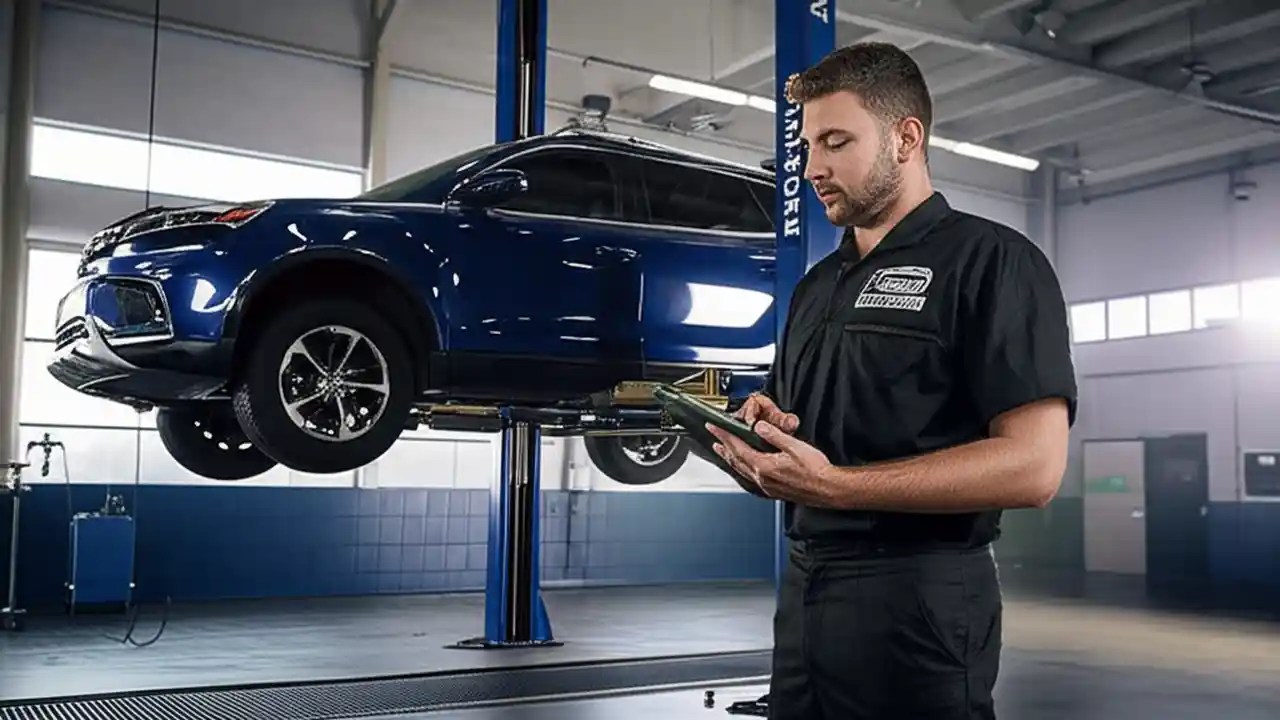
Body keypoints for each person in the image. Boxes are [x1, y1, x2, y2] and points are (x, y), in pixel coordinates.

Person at [705, 42, 1078, 719]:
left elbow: (1036, 466)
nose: (812, 167)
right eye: (808, 146)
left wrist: (839, 487)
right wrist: (761, 437)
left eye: (836, 141)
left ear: (907, 138)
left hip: (921, 601)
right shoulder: (816, 287)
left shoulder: (992, 263)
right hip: (805, 597)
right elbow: (805, 432)